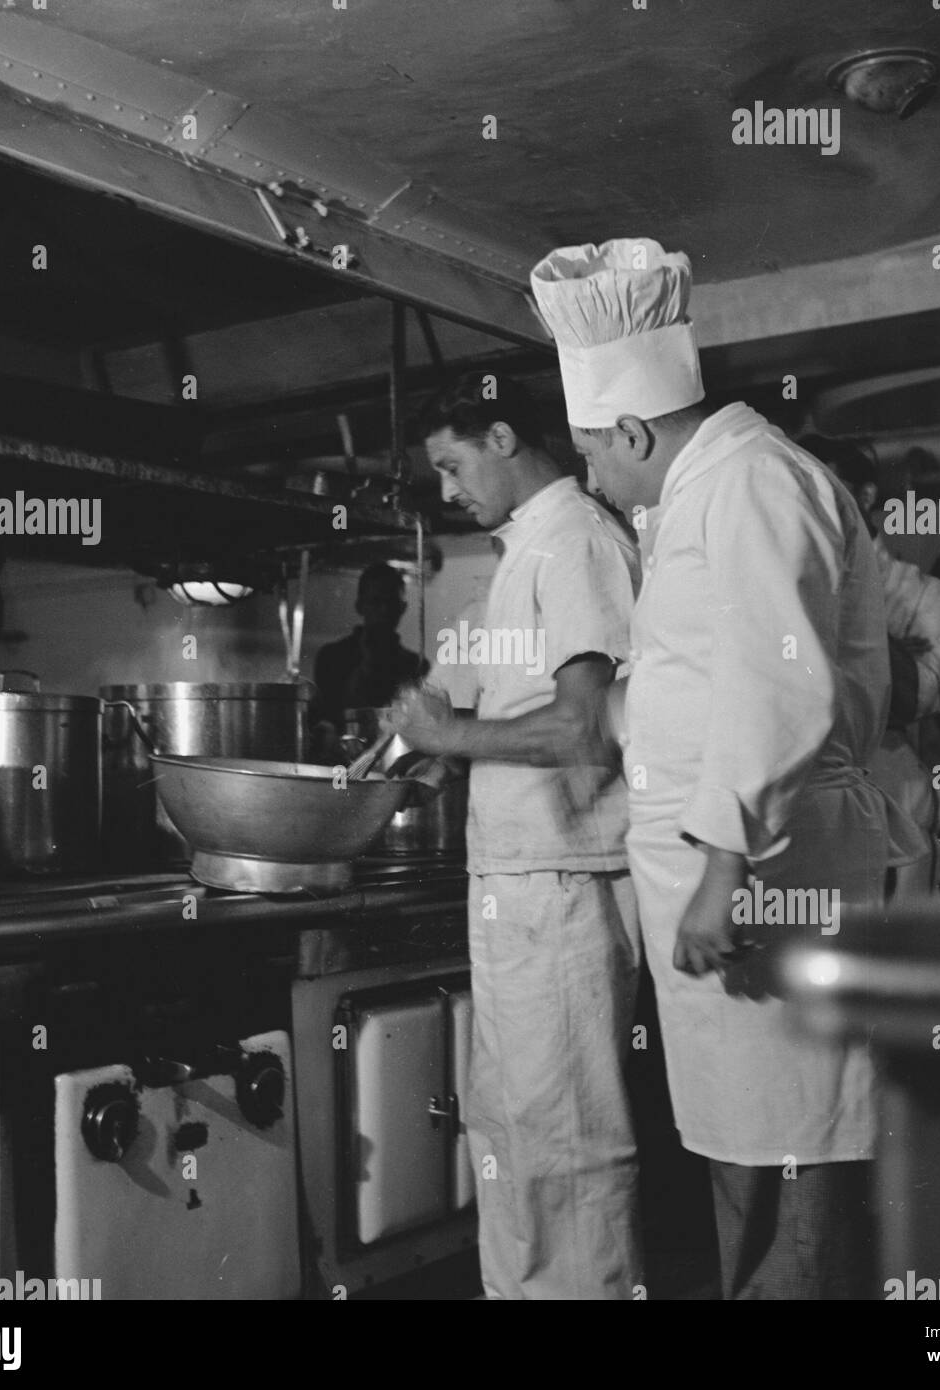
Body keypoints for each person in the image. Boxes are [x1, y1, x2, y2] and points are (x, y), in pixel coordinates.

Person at [530, 237, 928, 1300]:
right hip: (734, 892)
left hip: (770, 883)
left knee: (801, 1158)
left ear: (628, 427)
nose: (589, 476)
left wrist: (720, 865)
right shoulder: (705, 494)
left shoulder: (752, 483)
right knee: (741, 1151)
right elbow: (705, 684)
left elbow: (775, 683)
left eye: (590, 454)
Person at [388, 371, 643, 1300]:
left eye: (452, 465)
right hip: (520, 880)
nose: (446, 489)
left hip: (566, 881)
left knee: (566, 1140)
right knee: (512, 1126)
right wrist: (430, 747)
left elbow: (584, 727)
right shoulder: (526, 549)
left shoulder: (576, 538)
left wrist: (448, 737)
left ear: (502, 437)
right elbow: (513, 707)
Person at [800, 435, 940, 897]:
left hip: (895, 816)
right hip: (804, 822)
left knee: (899, 962)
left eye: (825, 485)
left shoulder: (926, 597)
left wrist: (850, 616)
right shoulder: (791, 584)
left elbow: (916, 699)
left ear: (867, 496)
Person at [310, 562, 426, 741]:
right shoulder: (332, 658)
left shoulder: (415, 665)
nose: (384, 610)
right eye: (376, 602)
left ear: (402, 608)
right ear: (360, 605)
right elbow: (329, 717)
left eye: (391, 602)